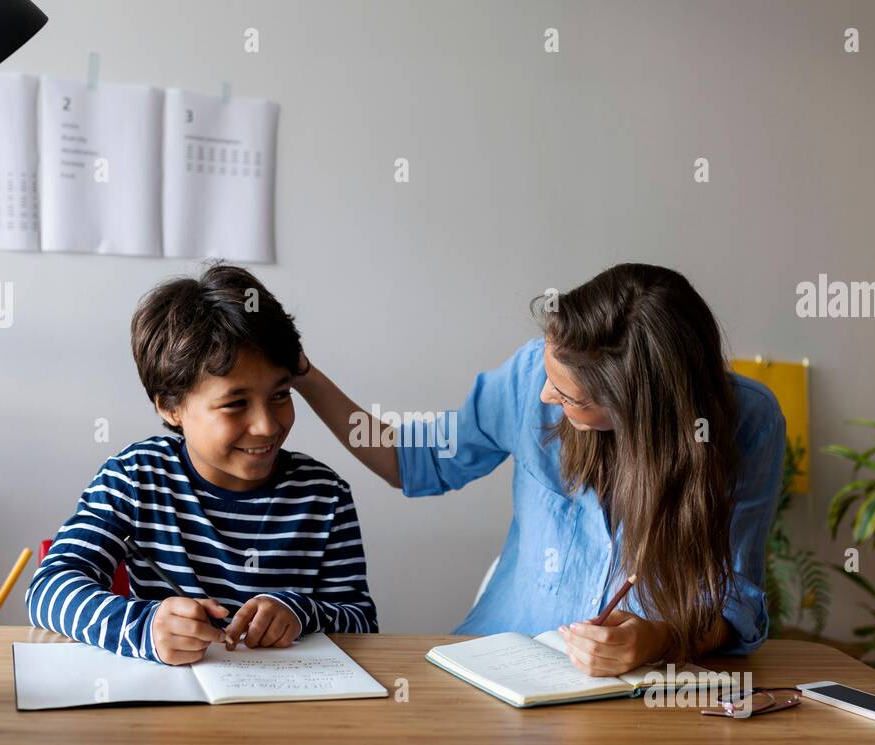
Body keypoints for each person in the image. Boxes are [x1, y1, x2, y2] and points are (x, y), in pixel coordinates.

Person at [294, 263, 784, 676]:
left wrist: (658, 638)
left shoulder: (748, 424)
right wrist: (306, 377)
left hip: (641, 692)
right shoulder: (532, 376)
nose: (547, 397)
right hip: (497, 666)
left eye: (570, 397)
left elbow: (735, 601)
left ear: (638, 413)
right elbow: (411, 460)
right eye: (550, 377)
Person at [26, 264, 378, 664]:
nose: (266, 425)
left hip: (289, 714)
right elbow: (48, 589)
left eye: (280, 395)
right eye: (235, 404)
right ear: (170, 406)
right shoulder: (136, 477)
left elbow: (363, 623)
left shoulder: (325, 495)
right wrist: (146, 626)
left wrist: (302, 611)